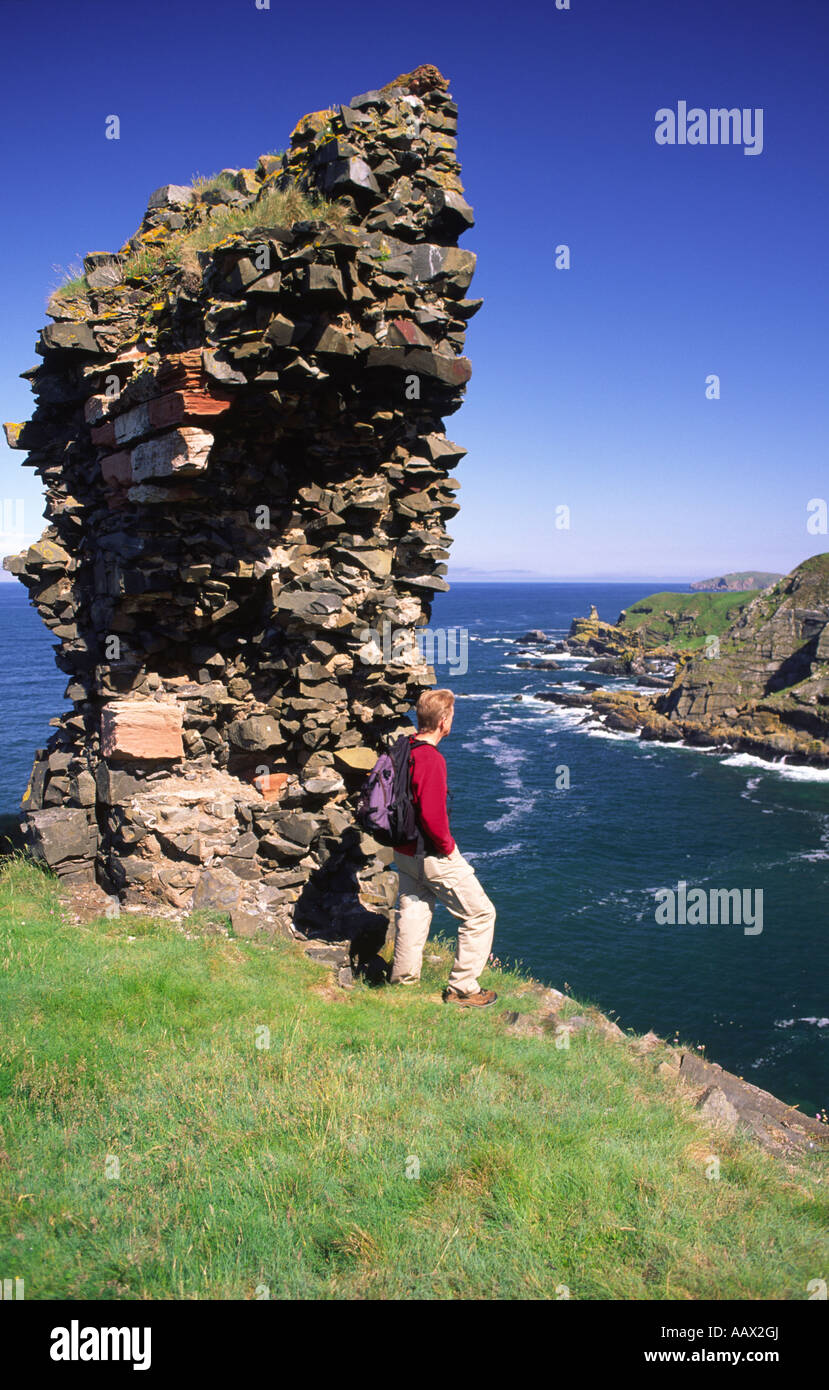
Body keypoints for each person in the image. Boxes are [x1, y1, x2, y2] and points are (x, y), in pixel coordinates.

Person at [390, 688, 498, 1006]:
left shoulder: (403, 749)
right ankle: (463, 988)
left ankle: (403, 982)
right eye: (451, 715)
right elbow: (432, 815)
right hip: (432, 855)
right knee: (480, 914)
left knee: (414, 910)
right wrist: (448, 847)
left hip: (403, 852)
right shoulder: (430, 759)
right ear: (443, 721)